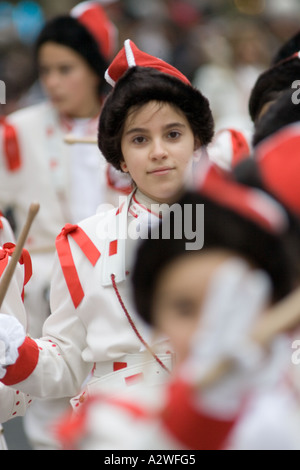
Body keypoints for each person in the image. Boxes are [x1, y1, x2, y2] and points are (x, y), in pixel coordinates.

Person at [0, 39, 214, 421]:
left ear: (197, 141)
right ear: (120, 158)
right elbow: (65, 366)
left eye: (173, 134)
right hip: (119, 432)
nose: (158, 151)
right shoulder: (84, 243)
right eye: (139, 139)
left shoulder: (242, 228)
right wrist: (13, 348)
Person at [53, 162, 297, 450]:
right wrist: (203, 418)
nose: (208, 330)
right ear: (154, 316)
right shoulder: (114, 422)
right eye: (185, 309)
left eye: (231, 305)